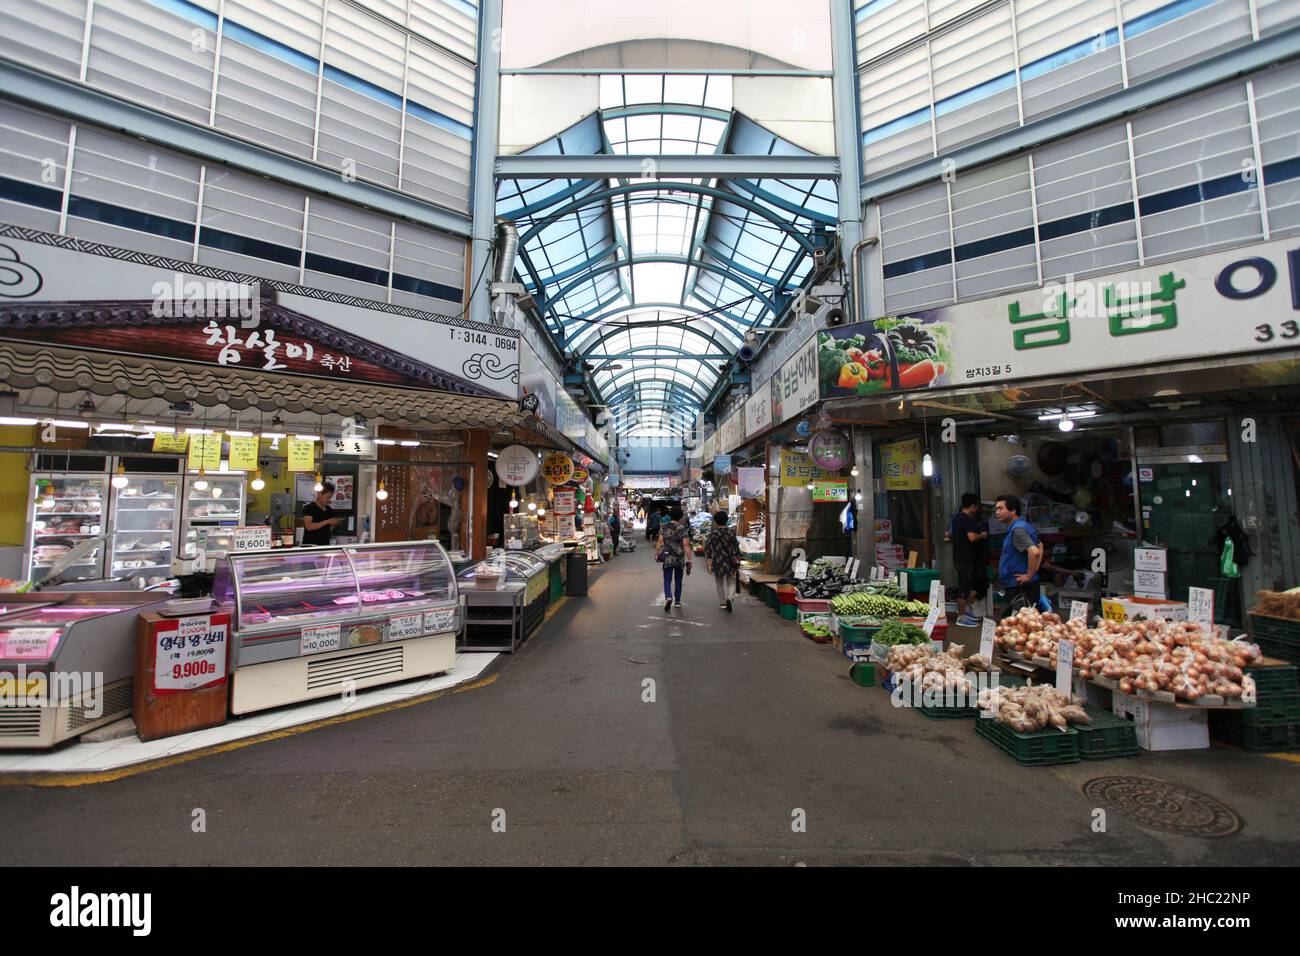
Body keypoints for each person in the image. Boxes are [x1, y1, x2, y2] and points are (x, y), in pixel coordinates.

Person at [995, 494, 1043, 619]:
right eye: (996, 509)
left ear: (1013, 511)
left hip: (1020, 587)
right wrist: (1034, 571)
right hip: (1023, 584)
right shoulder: (1022, 526)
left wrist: (1029, 575)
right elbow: (1040, 545)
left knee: (1018, 624)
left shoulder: (1018, 530)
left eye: (1001, 508)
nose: (997, 512)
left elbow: (1034, 551)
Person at [950, 493, 989, 626]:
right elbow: (972, 537)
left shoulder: (956, 518)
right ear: (972, 506)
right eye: (977, 506)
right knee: (964, 586)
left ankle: (964, 612)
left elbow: (948, 535)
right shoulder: (967, 519)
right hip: (965, 557)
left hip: (958, 556)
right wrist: (982, 535)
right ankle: (961, 616)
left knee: (967, 584)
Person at [703, 509, 741, 612]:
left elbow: (708, 550)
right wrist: (738, 560)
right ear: (726, 520)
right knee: (731, 581)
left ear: (715, 521)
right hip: (730, 561)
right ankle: (730, 598)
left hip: (718, 561)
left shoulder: (713, 534)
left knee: (719, 582)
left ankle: (722, 602)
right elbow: (736, 549)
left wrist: (708, 564)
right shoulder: (730, 533)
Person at [656, 505, 692, 612]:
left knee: (667, 579)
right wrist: (690, 558)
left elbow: (660, 541)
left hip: (667, 557)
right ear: (680, 517)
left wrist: (656, 553)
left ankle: (668, 597)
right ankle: (677, 602)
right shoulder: (682, 528)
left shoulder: (664, 527)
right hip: (679, 558)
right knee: (678, 580)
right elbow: (686, 545)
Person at [301, 481, 340, 546]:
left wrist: (334, 523)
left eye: (330, 497)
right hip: (310, 546)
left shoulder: (329, 509)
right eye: (327, 497)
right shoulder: (309, 508)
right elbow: (309, 526)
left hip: (325, 545)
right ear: (319, 494)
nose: (329, 500)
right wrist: (328, 521)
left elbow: (329, 528)